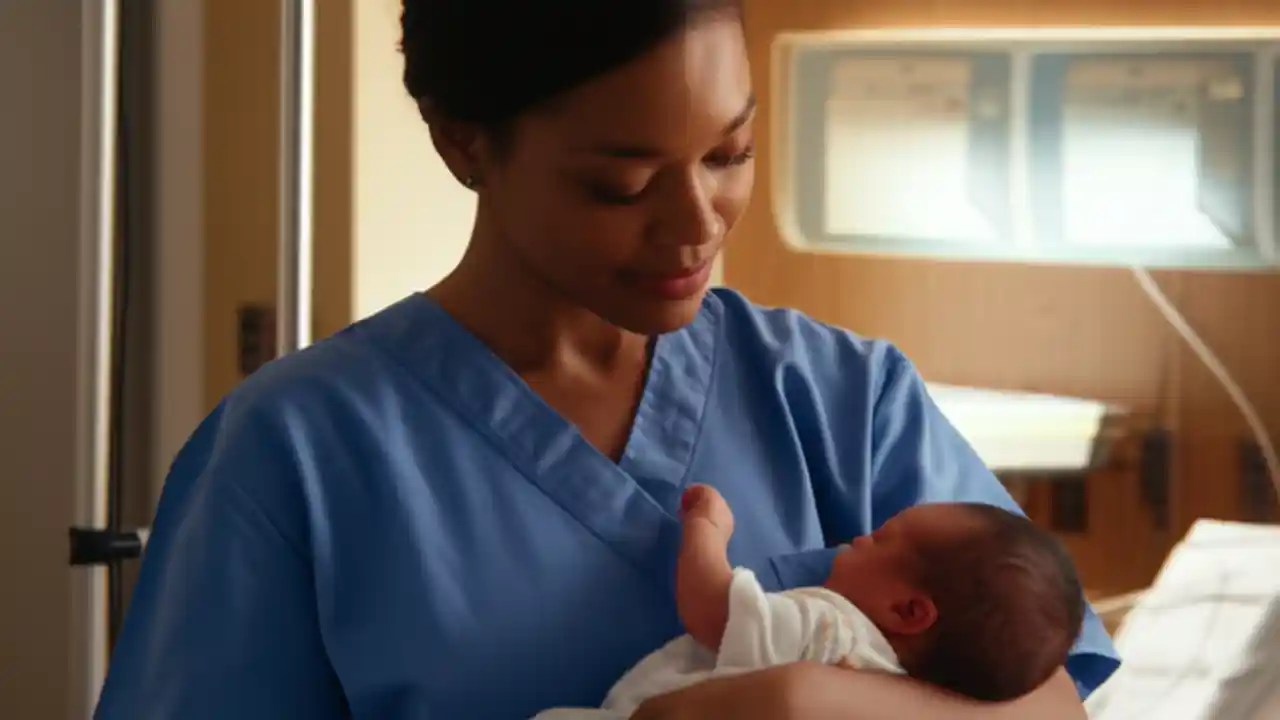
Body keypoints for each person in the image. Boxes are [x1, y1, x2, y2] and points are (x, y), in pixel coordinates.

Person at [95, 1, 1120, 718]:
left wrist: (804, 699)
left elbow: (1049, 703)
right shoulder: (296, 454)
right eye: (621, 185)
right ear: (463, 143)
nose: (695, 224)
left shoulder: (839, 397)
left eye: (728, 155)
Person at [536, 486, 1086, 718]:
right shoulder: (890, 684)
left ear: (909, 612)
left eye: (883, 540)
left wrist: (707, 530)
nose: (861, 538)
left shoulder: (830, 631)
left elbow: (712, 609)